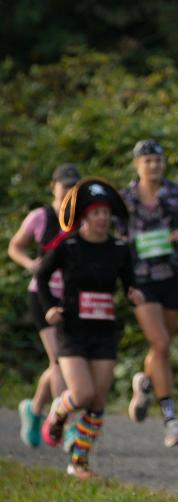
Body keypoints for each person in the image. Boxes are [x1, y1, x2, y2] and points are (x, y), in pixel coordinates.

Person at [36, 178, 145, 477]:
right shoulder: (68, 246)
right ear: (84, 216)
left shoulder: (120, 249)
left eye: (106, 212)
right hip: (72, 330)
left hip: (104, 330)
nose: (102, 218)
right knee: (81, 393)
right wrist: (49, 308)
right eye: (95, 212)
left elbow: (130, 282)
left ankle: (78, 462)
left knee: (97, 401)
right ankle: (57, 414)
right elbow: (42, 277)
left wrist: (134, 294)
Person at [120, 139, 178, 447]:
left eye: (158, 160)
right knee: (159, 342)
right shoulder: (125, 199)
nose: (153, 165)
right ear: (137, 165)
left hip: (175, 273)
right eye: (147, 161)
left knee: (163, 346)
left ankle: (144, 382)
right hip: (141, 278)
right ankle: (171, 421)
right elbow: (116, 236)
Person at [9, 164, 79, 447]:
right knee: (60, 360)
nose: (67, 192)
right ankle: (63, 424)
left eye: (73, 187)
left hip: (72, 297)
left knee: (60, 361)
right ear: (53, 186)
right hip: (43, 294)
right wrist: (30, 264)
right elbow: (15, 246)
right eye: (64, 186)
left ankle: (34, 409)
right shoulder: (41, 216)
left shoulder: (81, 218)